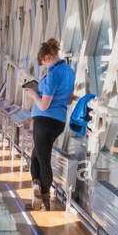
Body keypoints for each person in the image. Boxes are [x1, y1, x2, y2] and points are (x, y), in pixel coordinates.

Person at [21, 39, 76, 211]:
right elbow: (67, 99)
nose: (43, 66)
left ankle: (43, 198)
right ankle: (37, 190)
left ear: (47, 57)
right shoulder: (69, 71)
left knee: (42, 159)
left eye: (43, 63)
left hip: (44, 120)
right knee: (37, 154)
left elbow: (43, 105)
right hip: (58, 121)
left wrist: (33, 94)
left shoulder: (53, 74)